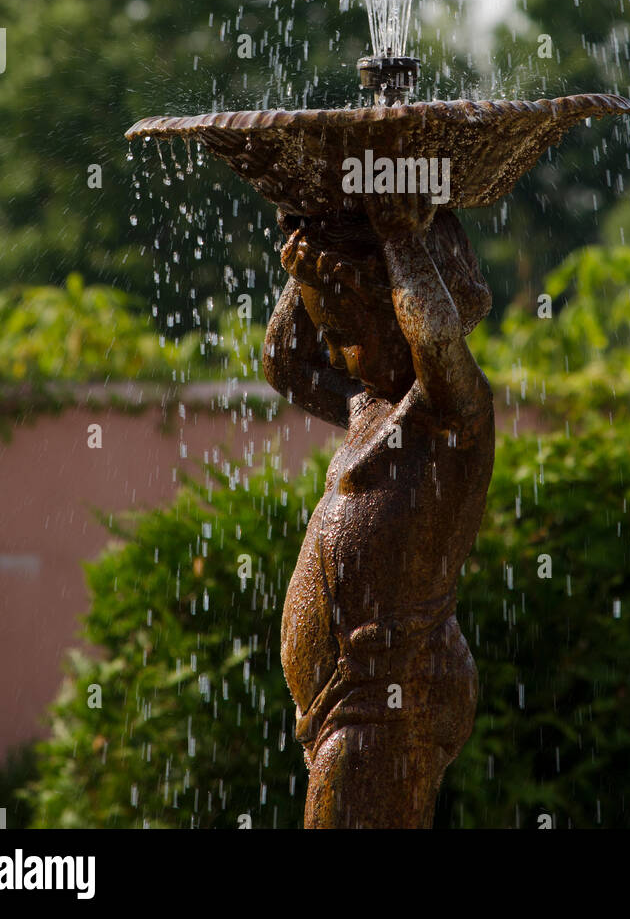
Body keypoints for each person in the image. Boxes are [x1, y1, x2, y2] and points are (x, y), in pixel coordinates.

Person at [263, 194, 494, 828]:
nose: (333, 355)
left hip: (388, 702)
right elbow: (285, 363)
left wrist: (400, 240)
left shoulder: (449, 416)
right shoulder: (371, 406)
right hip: (352, 700)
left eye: (344, 337)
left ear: (397, 316)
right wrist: (307, 260)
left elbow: (437, 335)